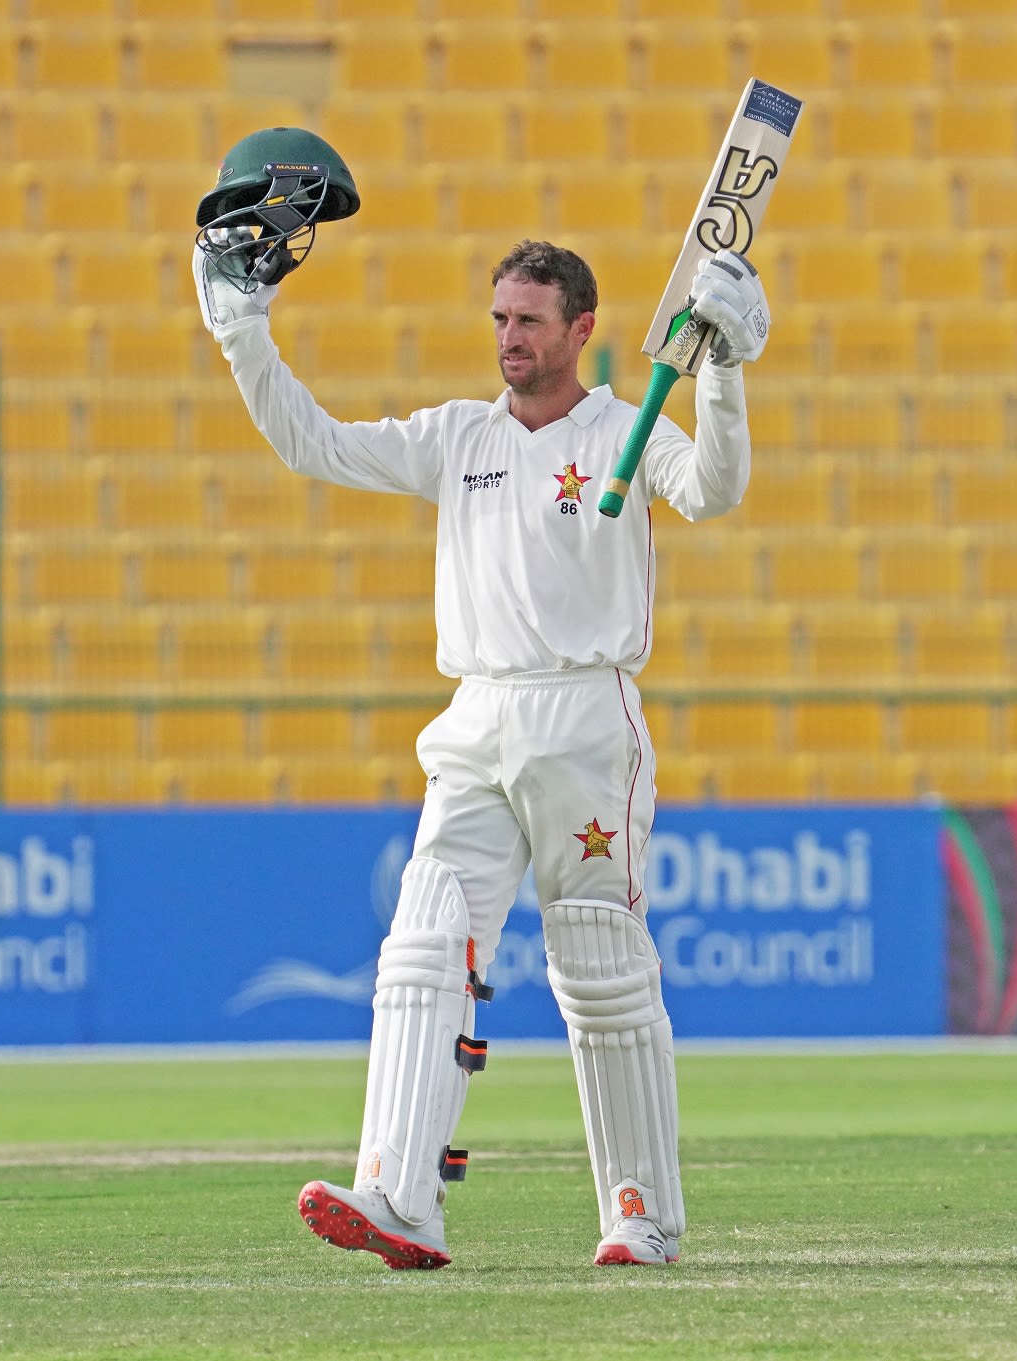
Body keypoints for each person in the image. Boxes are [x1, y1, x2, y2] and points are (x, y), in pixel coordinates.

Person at [194, 134, 769, 1271]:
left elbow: (713, 488)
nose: (508, 338)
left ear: (579, 331)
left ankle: (637, 1211)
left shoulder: (622, 427)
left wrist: (722, 368)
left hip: (585, 721)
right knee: (419, 946)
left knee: (598, 970)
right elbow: (310, 444)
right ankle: (398, 1194)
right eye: (498, 318)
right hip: (473, 720)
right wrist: (239, 328)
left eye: (528, 321)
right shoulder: (455, 437)